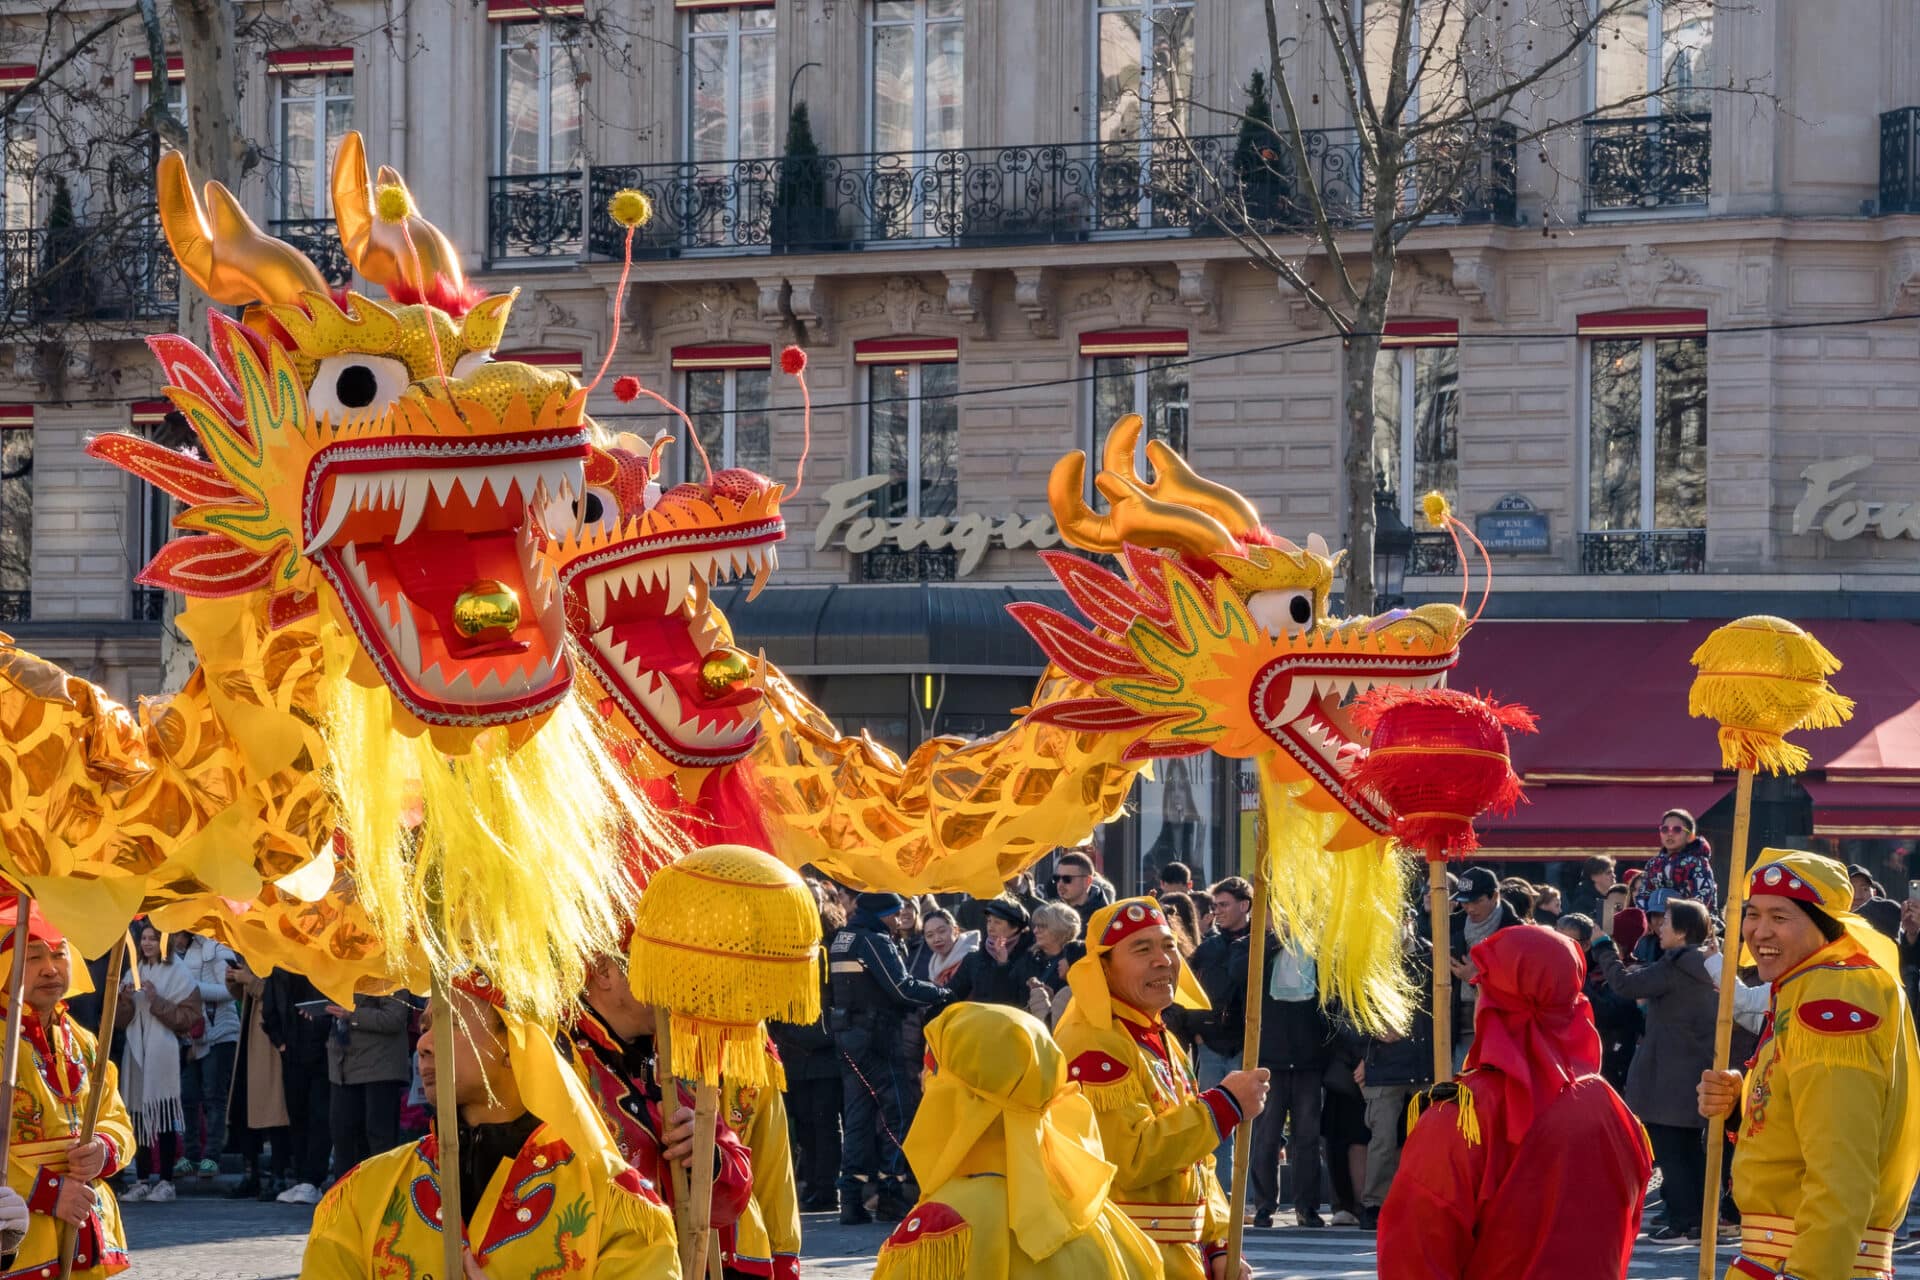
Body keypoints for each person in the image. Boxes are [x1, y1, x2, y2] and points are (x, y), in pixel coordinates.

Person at [302, 976, 677, 1277]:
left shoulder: (617, 1203)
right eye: (426, 1026)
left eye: (452, 1022)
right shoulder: (361, 1196)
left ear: (518, 1043)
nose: (425, 1044)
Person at [1379, 927, 1652, 1280]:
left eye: (1481, 987)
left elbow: (1414, 1256)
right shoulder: (1614, 1110)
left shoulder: (1464, 1118)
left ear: (1495, 1002)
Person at [1697, 850, 1920, 1280]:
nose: (1760, 930)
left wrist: (1809, 1272)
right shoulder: (1810, 985)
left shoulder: (1830, 1000)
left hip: (1802, 1263)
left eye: (1781, 917)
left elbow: (1843, 1169)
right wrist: (1744, 1096)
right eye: (1753, 914)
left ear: (1824, 926)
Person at [1053, 897, 1270, 1280]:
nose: (1163, 960)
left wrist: (1218, 1244)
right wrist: (1225, 1104)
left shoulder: (1161, 1037)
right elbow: (1132, 1158)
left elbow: (1198, 1162)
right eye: (1142, 949)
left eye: (1169, 946)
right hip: (1123, 1259)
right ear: (1103, 967)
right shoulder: (1093, 1040)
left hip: (1179, 1259)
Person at [871, 1003, 1163, 1280]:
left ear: (967, 1097)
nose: (923, 1079)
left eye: (932, 1068)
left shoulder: (944, 1225)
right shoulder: (1098, 1214)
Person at [568, 955, 755, 1230]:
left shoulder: (668, 1058)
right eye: (663, 968)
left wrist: (707, 1157)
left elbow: (736, 1185)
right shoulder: (562, 1056)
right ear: (604, 972)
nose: (679, 984)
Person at [3, 906, 133, 1278]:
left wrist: (102, 1151)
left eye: (60, 953)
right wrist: (49, 1192)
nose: (50, 968)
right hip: (16, 1234)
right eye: (33, 956)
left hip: (83, 1232)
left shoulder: (85, 1041)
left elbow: (117, 1120)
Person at [1595, 897, 1717, 1241]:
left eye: (1666, 922)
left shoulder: (1678, 963)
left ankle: (1683, 1219)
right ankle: (1694, 1218)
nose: (1658, 928)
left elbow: (1625, 986)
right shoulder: (1704, 963)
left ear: (1682, 930)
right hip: (1690, 1070)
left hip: (1668, 1075)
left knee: (1671, 1150)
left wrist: (1604, 948)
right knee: (1689, 1149)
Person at [828, 892, 947, 1225]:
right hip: (877, 1039)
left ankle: (851, 1197)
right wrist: (941, 993)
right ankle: (891, 1192)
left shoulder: (842, 938)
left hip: (847, 1036)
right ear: (883, 914)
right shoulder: (873, 940)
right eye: (895, 914)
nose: (899, 920)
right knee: (899, 1111)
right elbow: (902, 988)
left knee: (858, 1118)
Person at [1247, 912, 1332, 1229]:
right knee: (1266, 1136)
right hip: (1270, 1058)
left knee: (1307, 1138)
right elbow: (1239, 979)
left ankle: (1307, 1208)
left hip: (1310, 1059)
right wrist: (1270, 941)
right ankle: (1264, 1206)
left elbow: (1332, 1005)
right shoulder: (1261, 947)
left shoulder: (1322, 952)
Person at [1358, 912, 1434, 1230]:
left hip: (1424, 1061)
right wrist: (1371, 1031)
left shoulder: (1430, 954)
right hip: (1383, 1062)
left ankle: (1422, 1198)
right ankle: (1374, 1202)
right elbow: (1344, 1012)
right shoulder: (1367, 960)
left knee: (1425, 1138)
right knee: (1383, 1138)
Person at [771, 899, 844, 1213]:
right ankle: (815, 1185)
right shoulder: (786, 956)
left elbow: (837, 999)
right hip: (796, 1050)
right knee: (806, 1123)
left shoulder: (829, 954)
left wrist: (824, 1034)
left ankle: (826, 1187)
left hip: (822, 1050)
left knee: (824, 1123)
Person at [1184, 878, 1253, 1188]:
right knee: (1215, 1122)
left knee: (1251, 1125)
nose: (1218, 912)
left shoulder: (1260, 943)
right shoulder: (1208, 948)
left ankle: (1247, 1198)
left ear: (1245, 905)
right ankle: (1221, 1195)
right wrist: (1198, 1034)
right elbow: (1190, 993)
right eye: (1215, 906)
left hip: (1247, 1046)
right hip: (1211, 1046)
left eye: (1224, 905)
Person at [118, 921, 188, 1205]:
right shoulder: (133, 971)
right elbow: (122, 1021)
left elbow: (187, 1017)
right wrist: (124, 1001)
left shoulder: (178, 972)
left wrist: (155, 999)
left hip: (164, 1051)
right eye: (143, 938)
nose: (146, 943)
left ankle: (167, 1181)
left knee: (163, 1114)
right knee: (138, 1115)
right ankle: (143, 1180)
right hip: (136, 1049)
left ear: (163, 942)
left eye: (152, 938)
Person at [261, 968, 334, 1206]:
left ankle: (312, 1178)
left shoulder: (317, 962)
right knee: (298, 1114)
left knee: (319, 1115)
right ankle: (303, 1176)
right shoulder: (279, 968)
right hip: (292, 1051)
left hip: (322, 1051)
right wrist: (280, 1043)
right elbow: (269, 1008)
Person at [326, 994, 415, 1180]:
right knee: (343, 1137)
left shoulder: (388, 971)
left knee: (379, 1140)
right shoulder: (337, 970)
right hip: (342, 1068)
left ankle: (380, 1199)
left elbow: (394, 1018)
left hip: (380, 1068)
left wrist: (351, 1014)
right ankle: (345, 1201)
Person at [223, 956, 291, 1200]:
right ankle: (250, 1174)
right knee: (243, 1111)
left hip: (269, 1041)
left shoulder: (280, 958)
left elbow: (277, 995)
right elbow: (244, 995)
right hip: (250, 1041)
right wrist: (234, 978)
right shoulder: (252, 953)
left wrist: (248, 980)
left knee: (273, 1113)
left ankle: (277, 1175)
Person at [175, 930, 239, 1181]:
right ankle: (192, 1155)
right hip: (194, 1036)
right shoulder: (182, 955)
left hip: (221, 1032)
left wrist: (192, 989)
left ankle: (211, 1156)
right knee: (188, 1097)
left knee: (214, 1096)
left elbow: (229, 990)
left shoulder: (217, 948)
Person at [1447, 868, 1521, 1065]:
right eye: (1465, 902)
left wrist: (1476, 979)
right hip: (1457, 1025)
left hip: (1500, 1025)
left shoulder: (1516, 932)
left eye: (1477, 901)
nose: (1470, 908)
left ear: (1495, 895)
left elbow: (1519, 986)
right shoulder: (1450, 925)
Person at [945, 899, 1035, 1009]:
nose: (990, 928)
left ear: (1015, 927)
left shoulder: (1031, 957)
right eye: (989, 921)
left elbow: (1017, 1000)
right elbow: (951, 994)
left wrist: (1003, 965)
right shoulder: (974, 959)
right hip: (981, 1022)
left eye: (997, 922)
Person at [1016, 903, 1084, 1029]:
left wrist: (1050, 999)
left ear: (1060, 929)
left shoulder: (1076, 962)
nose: (1035, 931)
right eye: (1035, 926)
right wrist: (1001, 963)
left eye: (1042, 926)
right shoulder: (1027, 958)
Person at [1636, 809, 1718, 910]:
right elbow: (1644, 894)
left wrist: (1679, 919)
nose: (1670, 834)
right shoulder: (1653, 864)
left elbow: (1703, 895)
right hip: (1654, 921)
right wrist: (1645, 920)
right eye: (1665, 829)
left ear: (1690, 836)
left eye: (1677, 829)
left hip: (1691, 921)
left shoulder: (1698, 863)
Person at [909, 909, 978, 986]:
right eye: (930, 935)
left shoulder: (972, 959)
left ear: (956, 930)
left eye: (941, 931)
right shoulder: (933, 966)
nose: (937, 939)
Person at [1048, 849, 1112, 929]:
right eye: (1056, 878)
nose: (1060, 884)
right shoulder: (1051, 914)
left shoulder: (1105, 920)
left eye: (1067, 879)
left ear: (1087, 881)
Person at [1849, 864, 1903, 939]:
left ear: (1874, 893)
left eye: (1865, 889)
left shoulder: (1892, 930)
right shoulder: (1832, 931)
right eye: (1851, 889)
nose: (1857, 897)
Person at [1567, 855, 1617, 922]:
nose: (1614, 876)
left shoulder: (1618, 896)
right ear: (1594, 877)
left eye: (1613, 872)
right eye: (1608, 873)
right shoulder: (1582, 903)